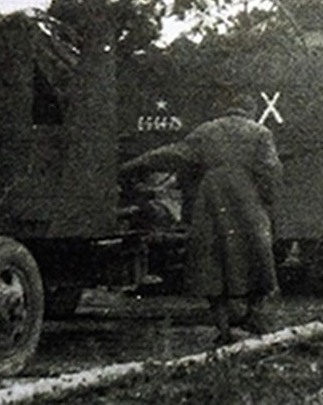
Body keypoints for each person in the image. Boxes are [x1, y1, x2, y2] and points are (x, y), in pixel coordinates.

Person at [121, 91, 283, 345]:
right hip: (247, 198)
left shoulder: (206, 131)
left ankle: (223, 329)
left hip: (213, 199)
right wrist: (268, 201)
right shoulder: (260, 133)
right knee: (257, 255)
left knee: (212, 261)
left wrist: (134, 165)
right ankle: (254, 315)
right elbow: (270, 170)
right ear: (250, 111)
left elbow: (174, 153)